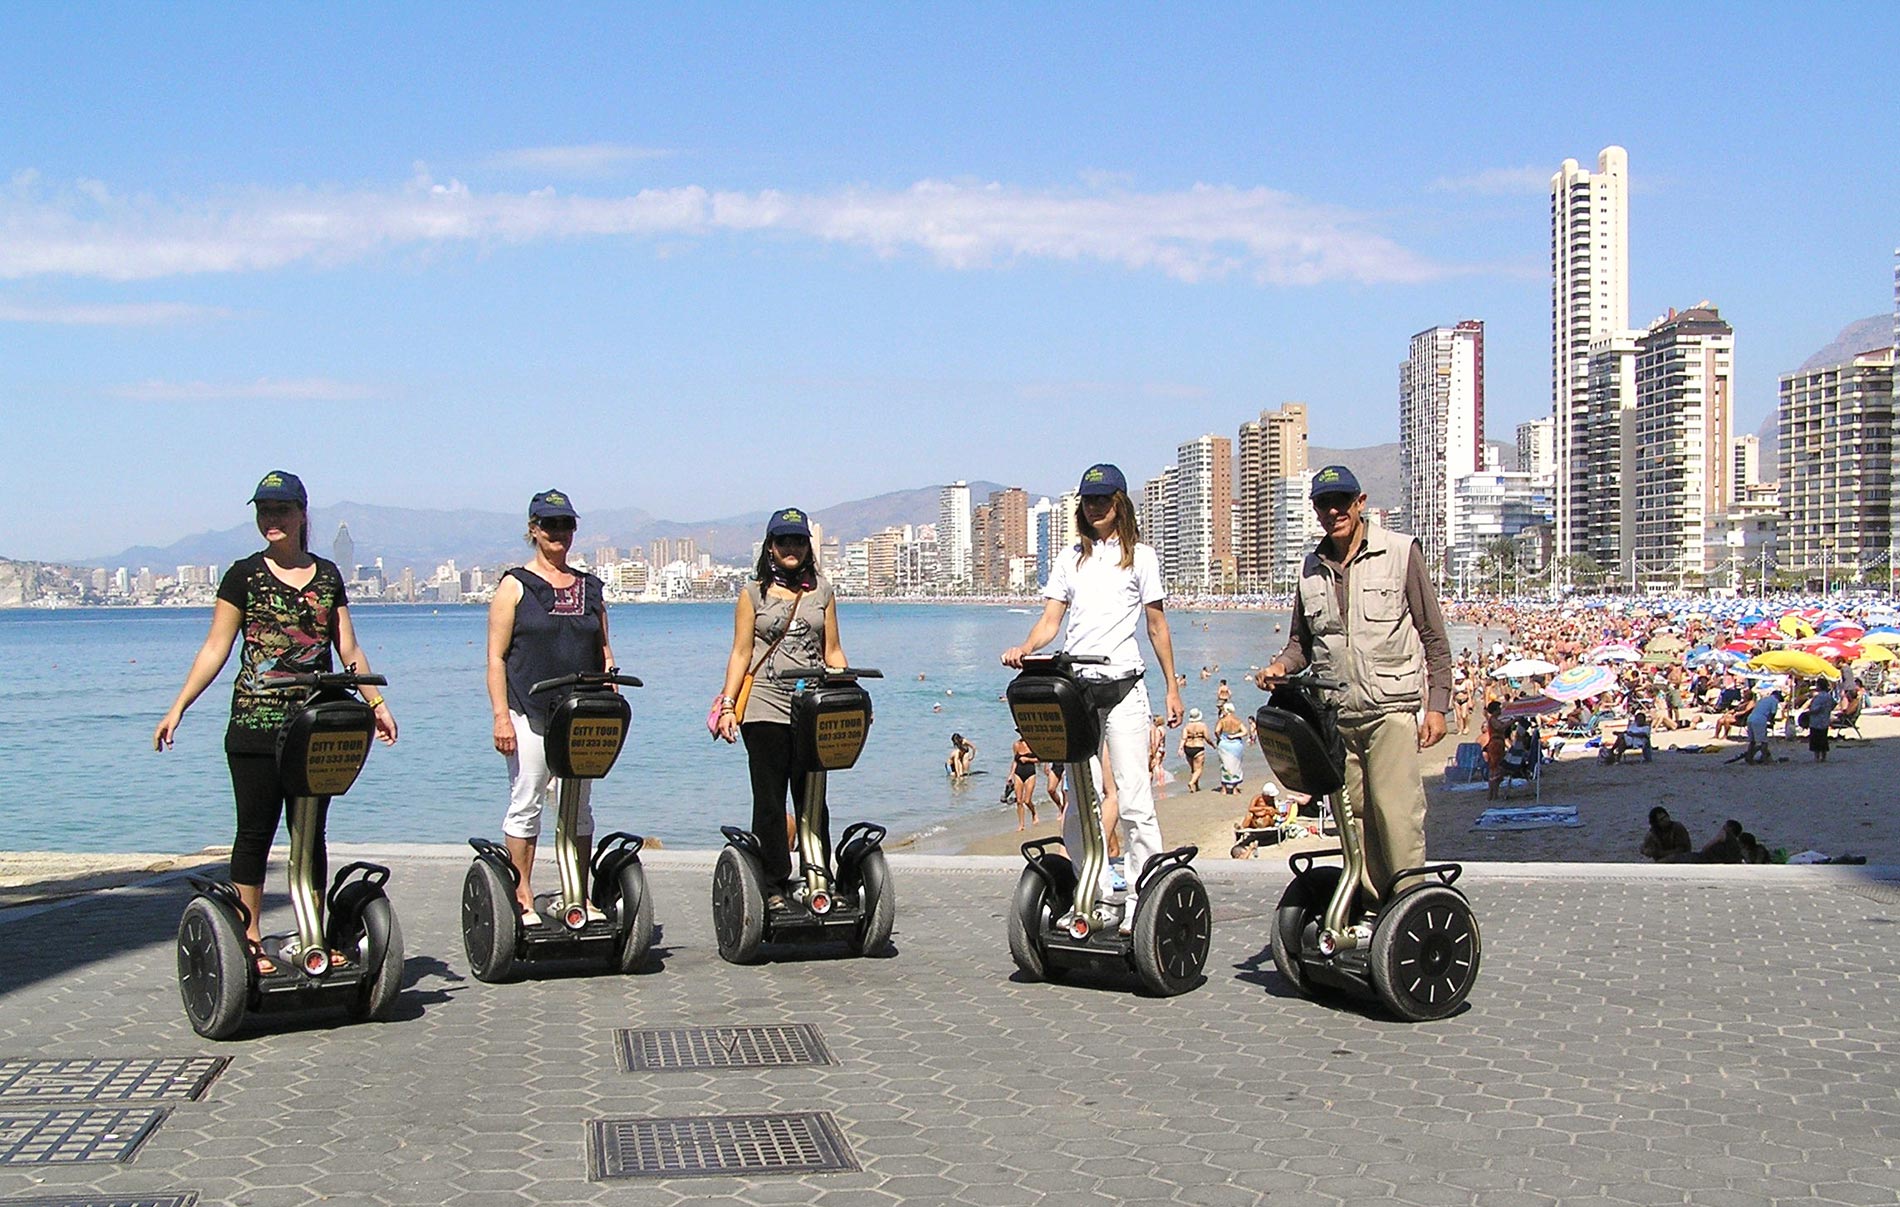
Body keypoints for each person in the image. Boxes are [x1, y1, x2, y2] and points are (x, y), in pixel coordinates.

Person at [154, 471, 397, 975]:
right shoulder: (243, 575)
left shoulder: (329, 575)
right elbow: (217, 648)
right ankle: (248, 941)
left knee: (310, 834)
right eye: (264, 511)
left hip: (316, 726)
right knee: (255, 833)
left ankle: (315, 932)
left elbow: (346, 648)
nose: (272, 520)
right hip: (255, 726)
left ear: (302, 514)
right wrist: (178, 706)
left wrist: (375, 704)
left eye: (282, 510)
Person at [1255, 464, 1452, 905]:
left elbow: (1434, 636)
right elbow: (1300, 643)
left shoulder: (1400, 552)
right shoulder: (1310, 569)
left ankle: (1408, 908)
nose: (1333, 511)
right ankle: (1368, 907)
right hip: (1336, 718)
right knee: (1356, 820)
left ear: (1360, 504)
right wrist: (1279, 668)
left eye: (1341, 502)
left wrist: (1437, 704)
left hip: (1390, 712)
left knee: (1397, 818)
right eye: (1324, 504)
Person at [1002, 463, 1183, 934]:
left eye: (1104, 499)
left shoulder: (1140, 557)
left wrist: (1173, 687)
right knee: (1081, 802)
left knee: (1133, 796)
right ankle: (1093, 893)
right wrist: (1025, 648)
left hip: (1124, 686)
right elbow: (1050, 621)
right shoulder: (1069, 559)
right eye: (1088, 500)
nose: (1095, 506)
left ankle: (1147, 896)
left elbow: (1157, 625)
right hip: (1078, 689)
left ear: (1120, 503)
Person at [485, 489, 614, 925]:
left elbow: (604, 650)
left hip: (581, 715)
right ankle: (522, 895)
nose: (559, 533)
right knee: (528, 799)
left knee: (578, 805)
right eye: (550, 525)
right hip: (529, 712)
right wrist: (501, 715)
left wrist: (611, 689)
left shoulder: (590, 588)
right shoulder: (514, 585)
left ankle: (576, 892)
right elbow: (495, 658)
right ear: (533, 529)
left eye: (566, 525)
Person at [715, 507, 847, 909]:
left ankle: (818, 877)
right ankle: (773, 884)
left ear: (808, 547)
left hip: (811, 707)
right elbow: (740, 653)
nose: (791, 547)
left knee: (812, 798)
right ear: (770, 548)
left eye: (799, 540)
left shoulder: (822, 591)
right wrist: (727, 706)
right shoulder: (752, 593)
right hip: (763, 706)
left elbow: (833, 651)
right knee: (770, 800)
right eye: (784, 540)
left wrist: (849, 694)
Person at [1230, 782, 1283, 859]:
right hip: (1256, 820)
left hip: (1265, 820)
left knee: (1268, 816)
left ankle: (1260, 824)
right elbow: (1251, 808)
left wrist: (1275, 812)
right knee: (1249, 815)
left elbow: (1275, 811)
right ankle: (1241, 829)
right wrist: (1265, 808)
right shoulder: (1258, 798)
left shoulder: (1271, 801)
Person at [1213, 703, 1247, 794]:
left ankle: (1224, 788)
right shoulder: (1237, 721)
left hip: (1225, 744)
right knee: (1236, 765)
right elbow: (1245, 732)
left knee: (1224, 765)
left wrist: (1219, 738)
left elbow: (1216, 731)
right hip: (1236, 745)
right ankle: (1235, 788)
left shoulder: (1222, 721)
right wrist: (1235, 735)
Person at [1009, 734, 1040, 831]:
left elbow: (1039, 759)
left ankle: (1034, 813)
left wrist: (1028, 759)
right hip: (1018, 773)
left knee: (1027, 800)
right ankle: (1021, 824)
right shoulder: (1016, 745)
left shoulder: (1033, 744)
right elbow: (1015, 761)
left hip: (1030, 773)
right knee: (1019, 801)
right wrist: (1011, 774)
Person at [1481, 700, 1511, 800]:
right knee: (1495, 768)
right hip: (1495, 743)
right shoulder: (1493, 719)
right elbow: (1500, 727)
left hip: (1498, 742)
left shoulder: (1495, 719)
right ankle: (1491, 794)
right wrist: (1513, 721)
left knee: (1496, 768)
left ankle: (1494, 793)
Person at [1744, 688, 1781, 765]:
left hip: (1751, 718)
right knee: (1763, 741)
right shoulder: (1774, 701)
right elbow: (1772, 713)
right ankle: (1765, 760)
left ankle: (1749, 758)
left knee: (1752, 741)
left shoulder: (1763, 699)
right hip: (1760, 719)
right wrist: (1771, 721)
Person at [1805, 677, 1837, 762]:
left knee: (1816, 739)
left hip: (1816, 720)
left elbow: (1816, 709)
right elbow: (1834, 704)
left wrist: (1809, 713)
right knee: (1823, 739)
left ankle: (1817, 757)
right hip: (1825, 719)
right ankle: (1824, 757)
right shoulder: (1828, 696)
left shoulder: (1819, 697)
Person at [1179, 708, 1210, 791]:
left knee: (1193, 769)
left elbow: (1184, 738)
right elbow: (1207, 738)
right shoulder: (1202, 725)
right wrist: (1212, 744)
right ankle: (1192, 782)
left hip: (1188, 748)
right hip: (1198, 747)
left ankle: (1196, 787)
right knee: (1199, 769)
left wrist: (1180, 748)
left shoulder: (1187, 726)